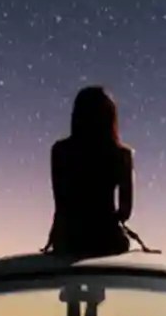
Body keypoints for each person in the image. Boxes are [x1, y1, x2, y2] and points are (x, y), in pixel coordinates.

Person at [44, 85, 136, 258]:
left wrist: (56, 234)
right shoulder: (122, 155)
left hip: (69, 239)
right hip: (107, 239)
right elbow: (125, 211)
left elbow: (60, 203)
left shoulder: (61, 151)